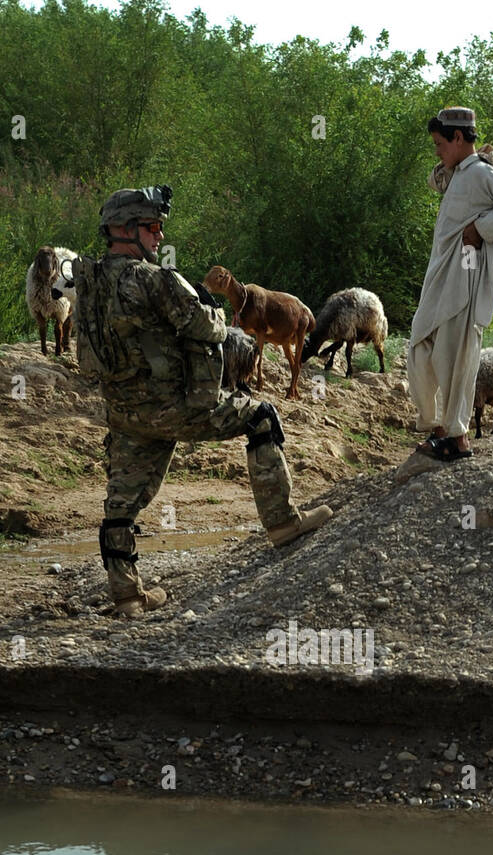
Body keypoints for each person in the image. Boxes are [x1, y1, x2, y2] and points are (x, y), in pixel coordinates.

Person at [72, 185, 332, 618]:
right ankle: (285, 524)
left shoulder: (90, 280)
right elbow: (206, 328)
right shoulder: (153, 278)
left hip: (125, 412)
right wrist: (211, 310)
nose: (158, 237)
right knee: (262, 417)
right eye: (153, 227)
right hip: (179, 406)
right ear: (125, 229)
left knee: (121, 503)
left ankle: (128, 597)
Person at [406, 108, 493, 464]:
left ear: (458, 138)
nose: (437, 151)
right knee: (422, 347)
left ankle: (456, 439)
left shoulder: (478, 173)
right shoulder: (459, 173)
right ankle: (438, 430)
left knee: (458, 359)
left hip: (464, 282)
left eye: (440, 143)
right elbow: (435, 179)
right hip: (443, 280)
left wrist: (481, 230)